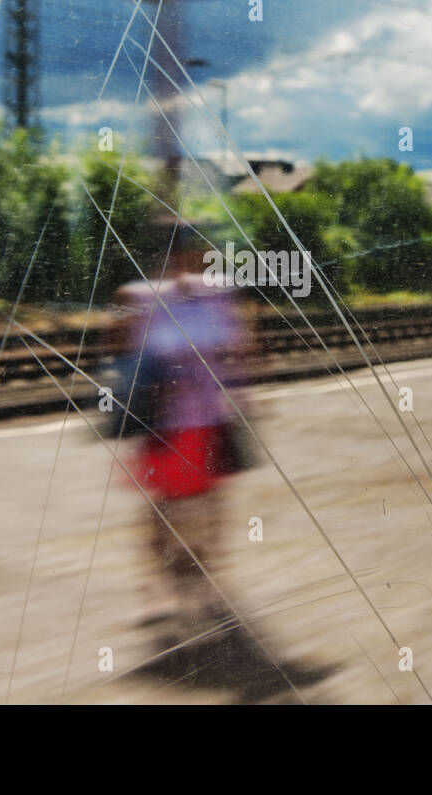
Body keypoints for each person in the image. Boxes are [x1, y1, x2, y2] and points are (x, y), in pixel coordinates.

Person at [108, 224, 252, 647]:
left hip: (208, 420)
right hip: (165, 424)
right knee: (162, 509)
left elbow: (240, 347)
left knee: (209, 506)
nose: (184, 263)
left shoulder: (218, 294)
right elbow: (122, 348)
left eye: (191, 253)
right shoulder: (145, 298)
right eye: (176, 255)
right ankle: (157, 591)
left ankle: (209, 588)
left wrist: (243, 390)